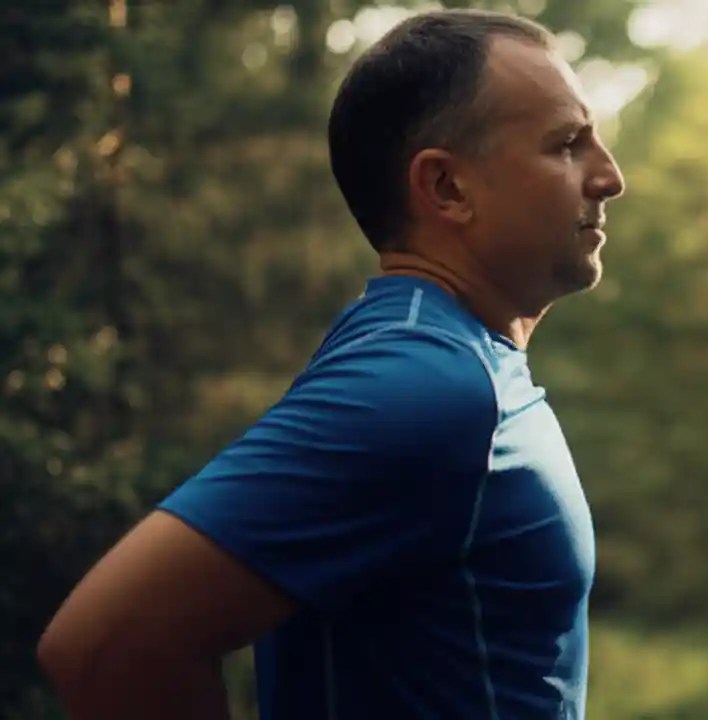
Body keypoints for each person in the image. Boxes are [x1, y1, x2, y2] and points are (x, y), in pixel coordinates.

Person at [36, 9, 625, 720]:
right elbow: (106, 644)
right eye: (566, 144)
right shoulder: (423, 387)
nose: (609, 177)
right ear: (446, 189)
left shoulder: (448, 360)